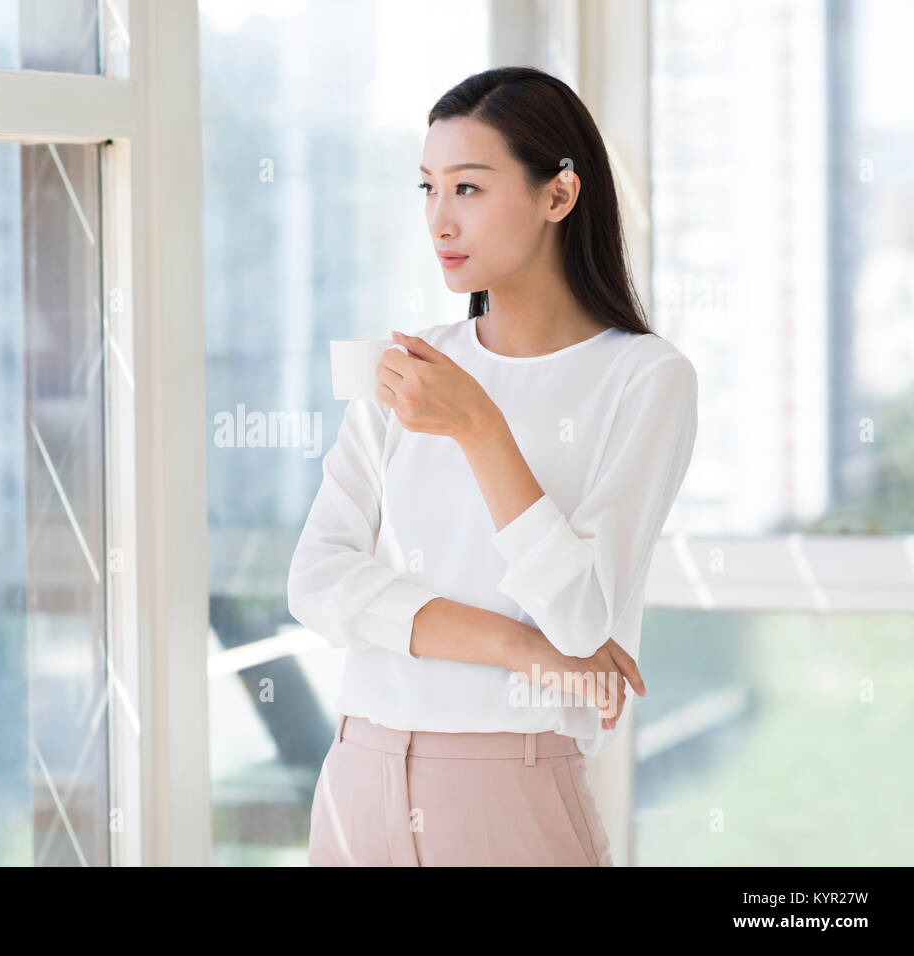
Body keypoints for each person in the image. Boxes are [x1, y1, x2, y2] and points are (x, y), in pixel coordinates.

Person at [287, 66, 699, 866]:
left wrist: (481, 428)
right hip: (358, 774)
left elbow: (582, 622)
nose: (441, 220)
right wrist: (521, 650)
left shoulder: (646, 379)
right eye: (428, 188)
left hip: (507, 790)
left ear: (558, 195)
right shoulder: (407, 365)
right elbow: (316, 580)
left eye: (469, 188)